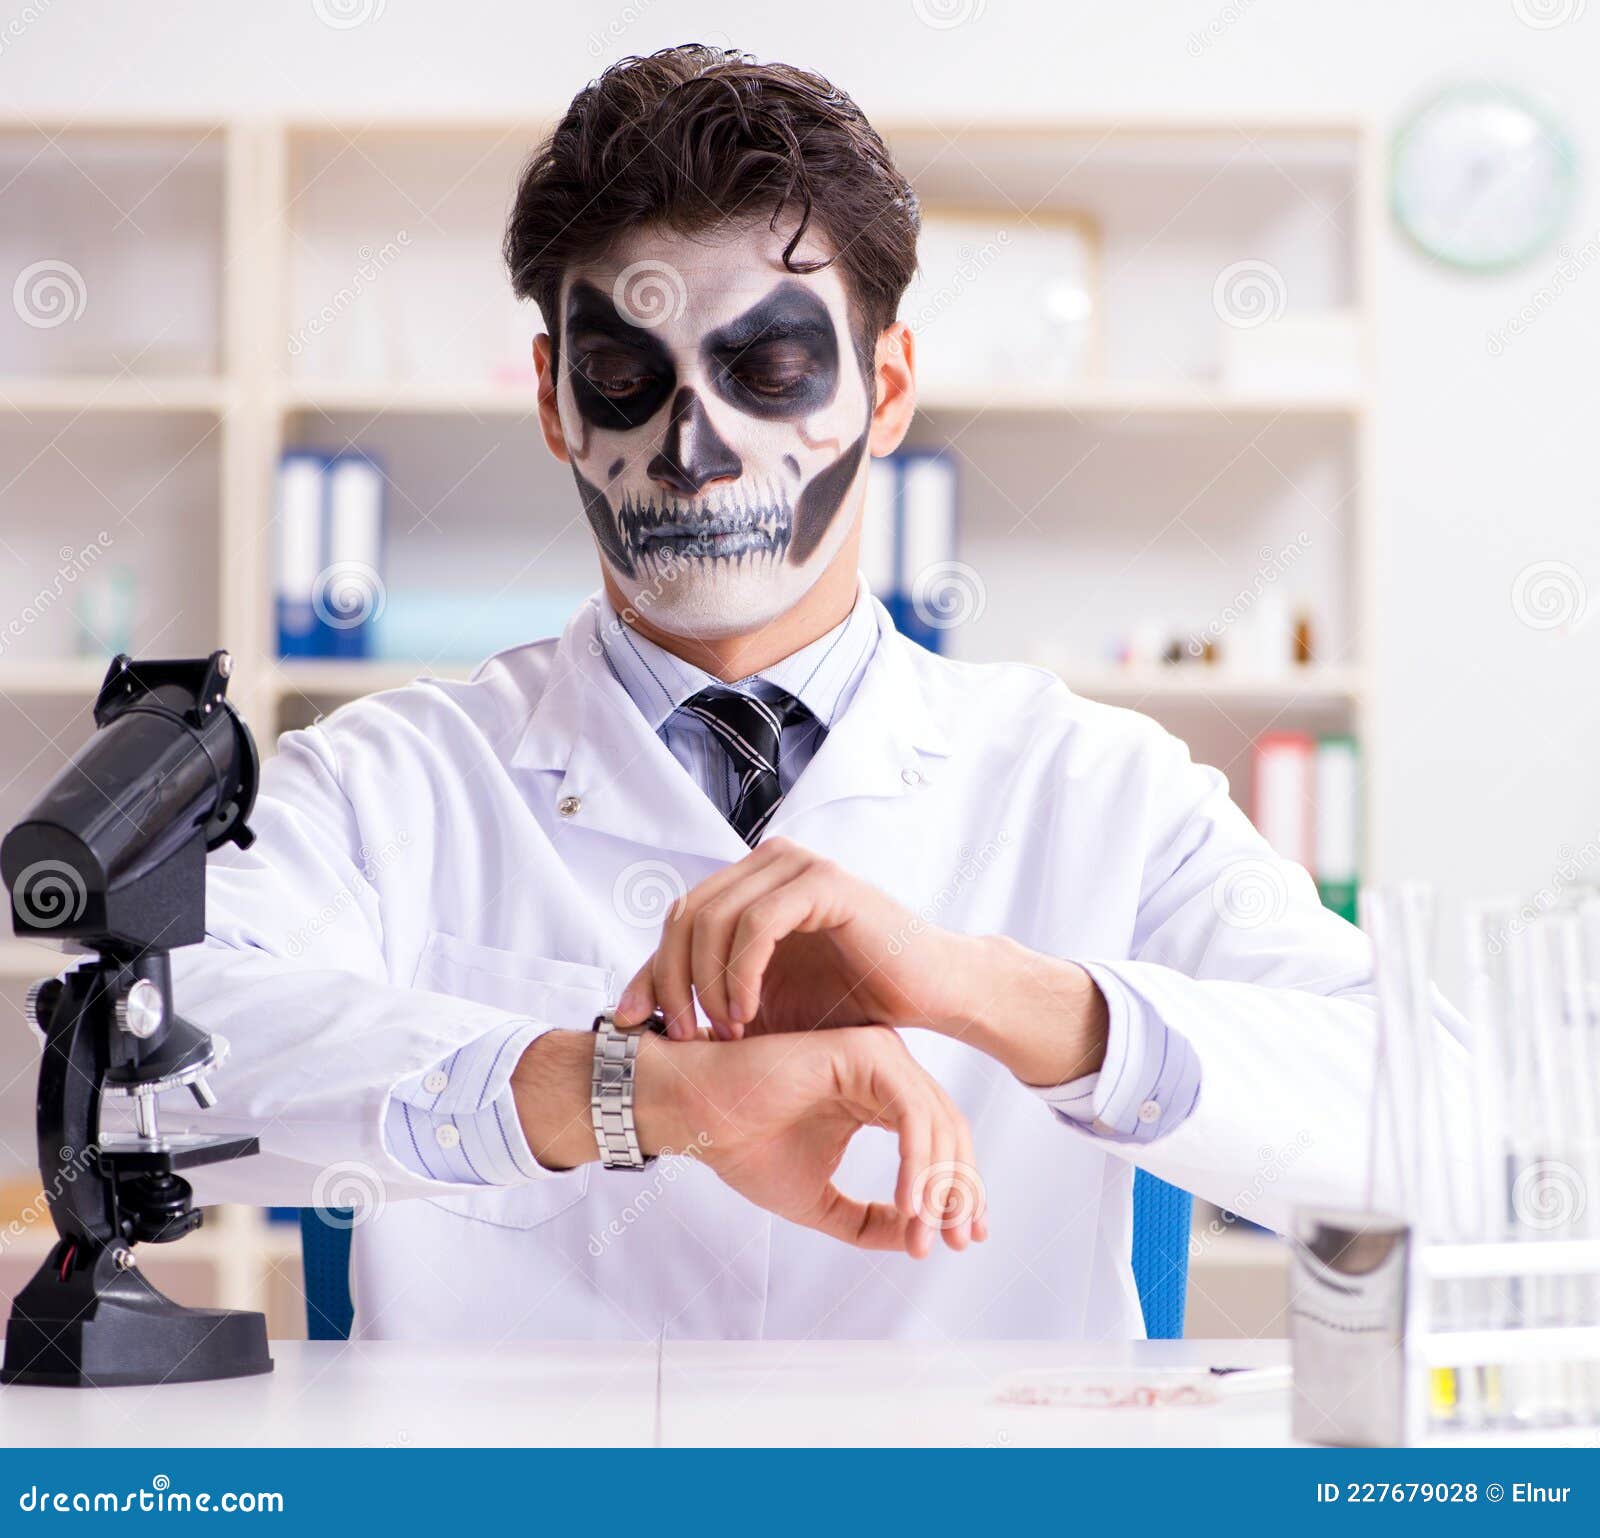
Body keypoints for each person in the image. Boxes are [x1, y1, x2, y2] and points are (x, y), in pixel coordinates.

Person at [171, 45, 1463, 1341]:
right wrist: (630, 1091)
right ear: (557, 403)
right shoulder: (382, 780)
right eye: (625, 373)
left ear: (885, 389)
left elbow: (1440, 1129)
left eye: (768, 369)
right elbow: (138, 1071)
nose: (691, 449)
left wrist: (983, 989)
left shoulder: (1099, 787)